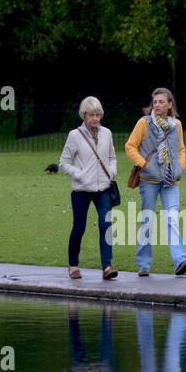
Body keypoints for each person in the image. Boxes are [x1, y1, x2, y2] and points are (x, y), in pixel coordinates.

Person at [125, 87, 186, 276]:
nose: (157, 105)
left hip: (171, 180)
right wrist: (144, 165)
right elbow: (130, 146)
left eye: (161, 102)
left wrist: (181, 167)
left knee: (172, 218)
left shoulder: (176, 124)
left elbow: (181, 148)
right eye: (155, 102)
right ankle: (144, 264)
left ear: (170, 104)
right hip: (149, 180)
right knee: (147, 220)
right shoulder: (144, 123)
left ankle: (180, 260)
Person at [58, 96, 119, 280]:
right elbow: (63, 162)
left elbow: (112, 156)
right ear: (84, 115)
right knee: (79, 227)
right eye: (92, 115)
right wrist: (80, 174)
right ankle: (73, 264)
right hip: (81, 189)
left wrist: (112, 171)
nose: (95, 119)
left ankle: (107, 266)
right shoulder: (74, 135)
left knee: (106, 224)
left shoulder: (107, 133)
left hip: (104, 188)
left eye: (98, 115)